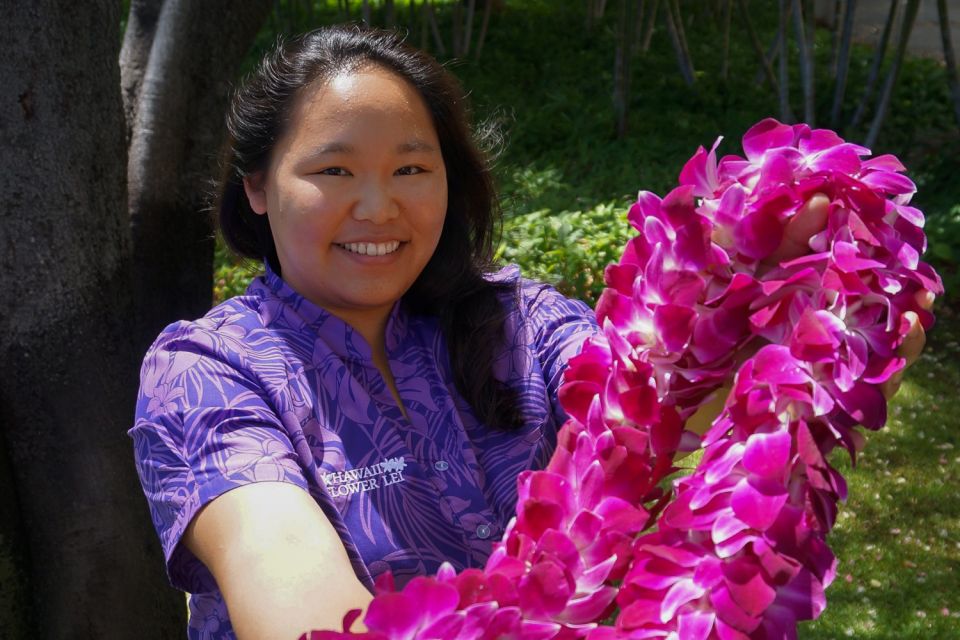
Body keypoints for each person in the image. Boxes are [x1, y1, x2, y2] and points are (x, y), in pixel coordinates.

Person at [129, 24, 929, 640]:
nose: (377, 207)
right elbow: (305, 619)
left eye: (411, 168)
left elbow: (666, 405)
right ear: (259, 188)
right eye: (334, 171)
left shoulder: (521, 322)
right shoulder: (211, 373)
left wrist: (818, 351)